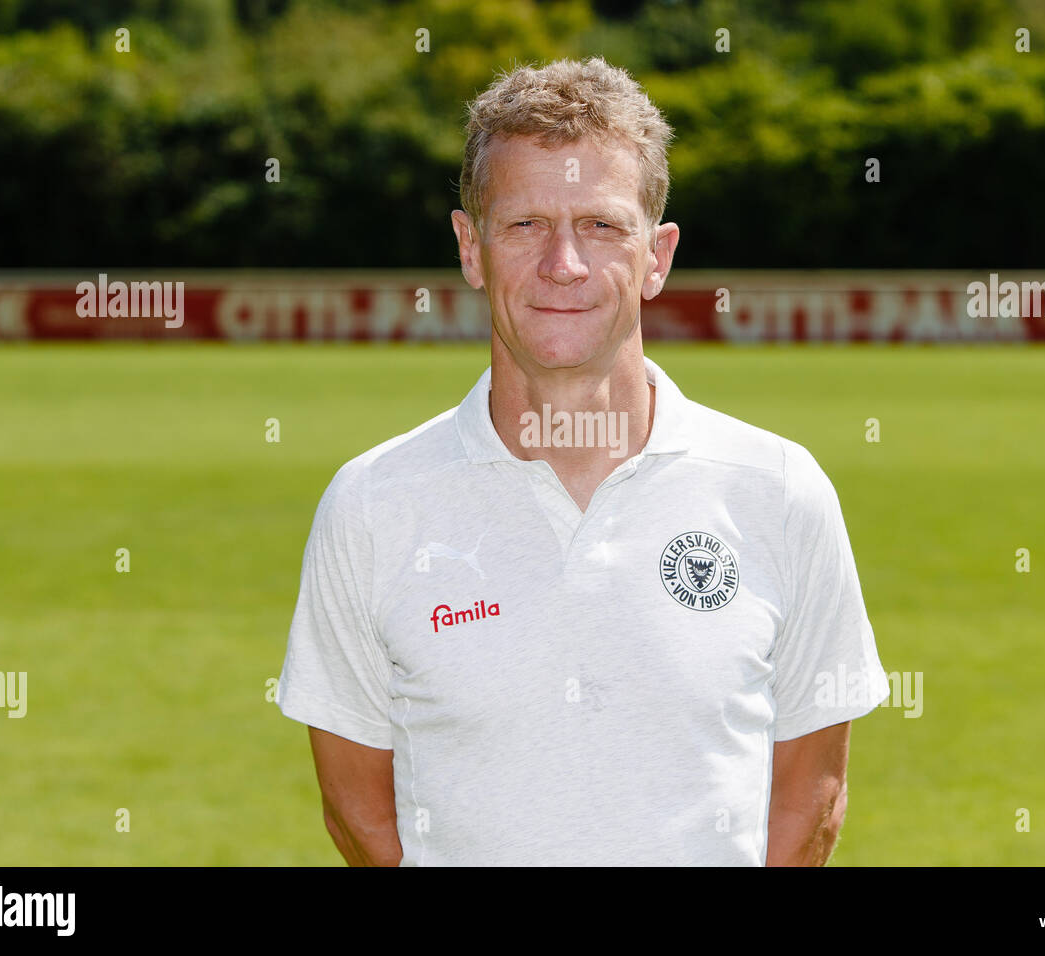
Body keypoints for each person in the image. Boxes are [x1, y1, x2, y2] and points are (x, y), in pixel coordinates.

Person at [276, 55, 889, 866]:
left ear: (657, 256)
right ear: (470, 248)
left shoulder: (777, 492)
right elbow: (356, 809)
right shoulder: (372, 504)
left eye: (601, 227)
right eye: (525, 224)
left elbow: (811, 799)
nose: (563, 265)